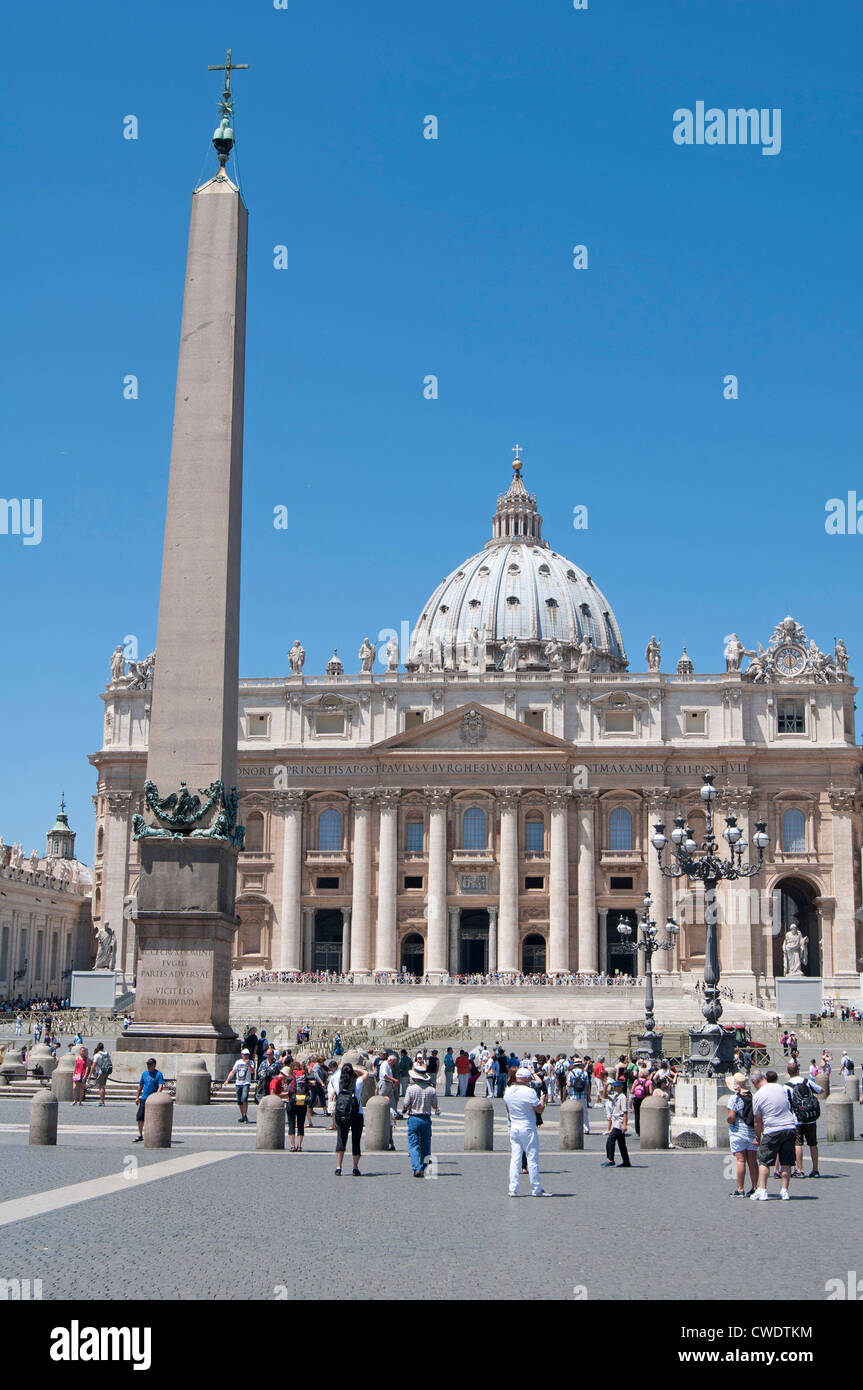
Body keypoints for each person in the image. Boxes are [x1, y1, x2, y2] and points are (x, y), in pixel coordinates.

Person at [750, 1069, 797, 1201]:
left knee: (764, 1161)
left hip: (772, 1129)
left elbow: (757, 1121)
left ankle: (763, 1190)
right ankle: (784, 1191)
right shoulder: (779, 1087)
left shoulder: (758, 1096)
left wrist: (757, 1137)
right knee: (786, 1161)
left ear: (754, 1082)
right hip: (789, 1127)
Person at [504, 1066, 549, 1197]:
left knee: (515, 1158)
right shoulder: (529, 1092)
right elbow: (539, 1109)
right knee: (532, 1159)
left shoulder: (508, 1091)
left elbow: (508, 1110)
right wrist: (543, 1101)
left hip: (514, 1127)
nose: (529, 1081)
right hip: (528, 1127)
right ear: (525, 1079)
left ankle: (513, 1189)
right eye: (529, 1079)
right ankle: (536, 1189)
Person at [402, 1059, 441, 1176]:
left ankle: (416, 1167)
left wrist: (405, 1109)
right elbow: (435, 1105)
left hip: (414, 1118)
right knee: (425, 1145)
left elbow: (406, 1104)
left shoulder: (411, 1089)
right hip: (426, 1118)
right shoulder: (431, 1089)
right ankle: (424, 1167)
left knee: (413, 1145)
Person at [784, 1059, 822, 1179]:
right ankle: (815, 1169)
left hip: (796, 1118)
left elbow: (785, 1103)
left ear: (788, 1073)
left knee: (798, 1144)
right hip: (810, 1117)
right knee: (813, 1144)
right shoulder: (807, 1081)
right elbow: (821, 1090)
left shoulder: (786, 1086)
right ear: (798, 1071)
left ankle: (800, 1170)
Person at [334, 1061, 369, 1177]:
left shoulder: (337, 1082)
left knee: (341, 1139)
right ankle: (355, 1167)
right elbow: (366, 1073)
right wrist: (355, 1069)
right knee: (356, 1140)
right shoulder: (357, 1082)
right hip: (356, 1113)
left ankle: (338, 1167)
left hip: (341, 1113)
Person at [726, 1073, 758, 1196]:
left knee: (740, 1161)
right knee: (753, 1161)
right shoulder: (753, 1096)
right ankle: (755, 1188)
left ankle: (740, 1189)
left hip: (738, 1132)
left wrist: (728, 1119)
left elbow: (731, 1117)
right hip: (751, 1132)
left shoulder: (734, 1098)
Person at [602, 1078, 631, 1168]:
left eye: (616, 1086)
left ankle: (611, 1160)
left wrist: (624, 1125)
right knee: (621, 1143)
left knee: (610, 1140)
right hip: (615, 1122)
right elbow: (605, 1096)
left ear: (621, 1087)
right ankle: (626, 1161)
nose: (614, 1088)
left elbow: (625, 1112)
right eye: (614, 1086)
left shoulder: (622, 1097)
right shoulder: (616, 1095)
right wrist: (605, 1087)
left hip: (619, 1123)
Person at [134, 1057, 165, 1141]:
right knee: (140, 1116)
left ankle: (153, 1134)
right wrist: (137, 1097)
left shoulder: (158, 1074)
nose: (149, 1066)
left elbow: (160, 1086)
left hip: (153, 1099)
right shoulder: (144, 1074)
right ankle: (140, 1134)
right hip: (144, 1098)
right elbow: (140, 1086)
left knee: (153, 1117)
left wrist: (156, 1096)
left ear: (154, 1065)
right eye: (148, 1064)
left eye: (150, 1064)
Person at [224, 1049, 255, 1123]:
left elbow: (252, 1071)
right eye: (245, 1054)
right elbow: (233, 1071)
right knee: (239, 1101)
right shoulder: (238, 1062)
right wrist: (227, 1080)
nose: (246, 1056)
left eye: (247, 1054)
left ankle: (245, 1115)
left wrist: (249, 1065)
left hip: (246, 1082)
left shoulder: (251, 1062)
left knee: (244, 1098)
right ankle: (243, 1115)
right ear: (242, 1055)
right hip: (238, 1083)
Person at [287, 1060, 311, 1151]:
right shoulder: (304, 1076)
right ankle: (299, 1146)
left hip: (292, 1101)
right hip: (302, 1102)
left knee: (291, 1123)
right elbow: (308, 1089)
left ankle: (292, 1146)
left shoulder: (291, 1077)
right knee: (301, 1124)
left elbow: (289, 1090)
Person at [87, 1042, 112, 1107]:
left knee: (101, 1087)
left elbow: (93, 1066)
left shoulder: (97, 1055)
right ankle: (102, 1100)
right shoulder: (106, 1054)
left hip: (100, 1072)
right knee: (103, 1086)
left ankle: (102, 1101)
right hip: (106, 1071)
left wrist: (89, 1075)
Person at [630, 1065, 652, 1137]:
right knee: (645, 1115)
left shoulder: (636, 1081)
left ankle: (638, 1131)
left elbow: (632, 1091)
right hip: (645, 1099)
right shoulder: (649, 1082)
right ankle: (645, 1129)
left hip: (636, 1099)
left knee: (637, 1115)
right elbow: (650, 1092)